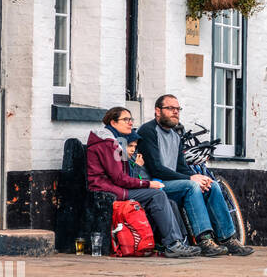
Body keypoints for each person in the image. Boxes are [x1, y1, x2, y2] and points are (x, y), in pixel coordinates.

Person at [136, 94, 253, 256]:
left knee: (211, 185)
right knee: (191, 186)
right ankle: (204, 240)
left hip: (172, 184)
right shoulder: (148, 131)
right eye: (170, 108)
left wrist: (199, 178)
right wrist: (191, 178)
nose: (175, 112)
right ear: (157, 111)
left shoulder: (175, 137)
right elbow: (156, 169)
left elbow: (182, 168)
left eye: (177, 109)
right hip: (154, 185)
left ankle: (227, 238)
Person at [86, 107, 198, 257]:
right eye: (125, 120)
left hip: (116, 187)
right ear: (113, 122)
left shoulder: (116, 142)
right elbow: (120, 178)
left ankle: (179, 242)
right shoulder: (108, 144)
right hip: (107, 190)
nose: (130, 123)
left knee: (168, 201)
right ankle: (172, 244)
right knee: (157, 195)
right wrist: (147, 184)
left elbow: (121, 175)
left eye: (131, 119)